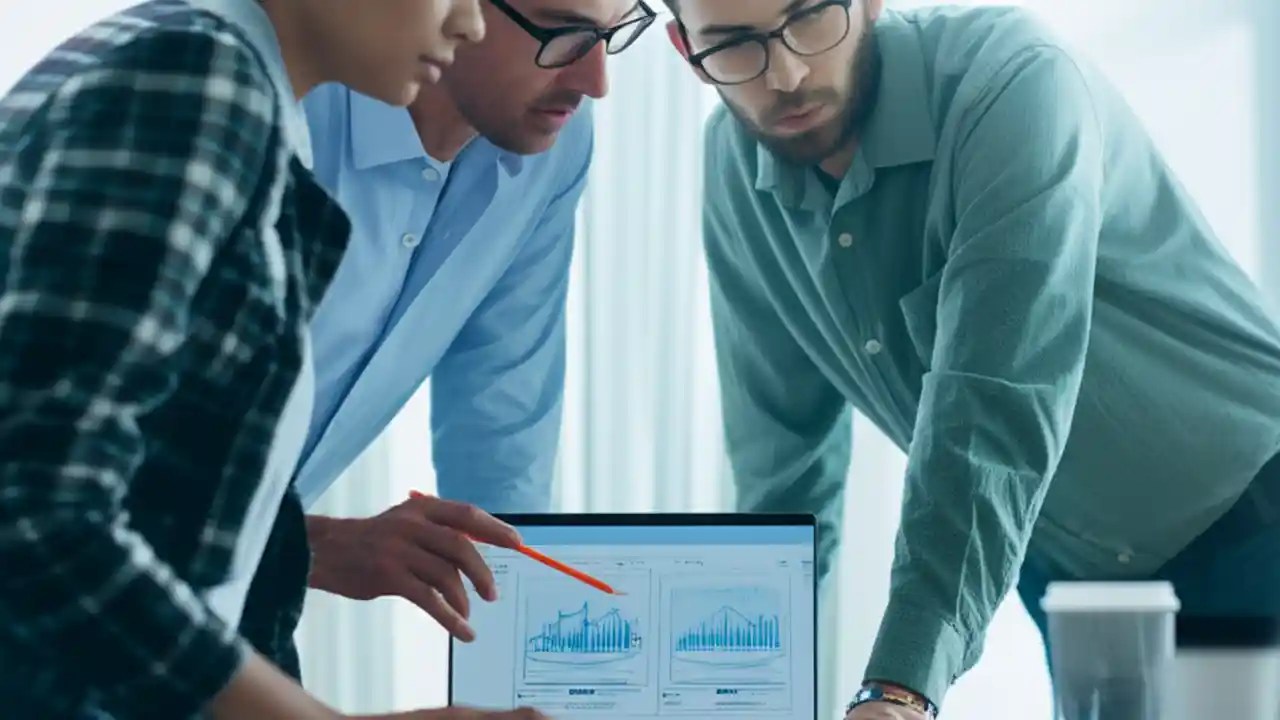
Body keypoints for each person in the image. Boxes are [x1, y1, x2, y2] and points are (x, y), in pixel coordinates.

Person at [663, 0, 1280, 717]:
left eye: (808, 17)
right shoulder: (735, 173)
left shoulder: (1015, 84)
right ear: (684, 48)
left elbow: (991, 405)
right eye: (734, 45)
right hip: (1069, 576)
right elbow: (780, 468)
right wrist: (734, 690)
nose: (788, 72)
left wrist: (897, 689)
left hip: (1254, 513)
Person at [0, 0, 547, 718]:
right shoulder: (192, 81)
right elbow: (35, 509)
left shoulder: (215, 82)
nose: (469, 24)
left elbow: (147, 503)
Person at [239, 0, 659, 681]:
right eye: (564, 32)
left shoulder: (551, 145)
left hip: (217, 609)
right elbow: (65, 469)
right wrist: (308, 546)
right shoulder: (245, 91)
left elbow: (504, 426)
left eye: (612, 34)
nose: (595, 82)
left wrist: (514, 681)